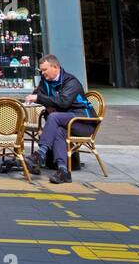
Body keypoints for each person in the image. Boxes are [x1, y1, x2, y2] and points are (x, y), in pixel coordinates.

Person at [26, 54, 93, 184]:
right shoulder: (45, 81)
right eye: (41, 70)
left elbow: (63, 102)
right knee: (57, 131)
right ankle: (63, 171)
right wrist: (48, 104)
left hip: (83, 122)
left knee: (54, 117)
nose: (43, 73)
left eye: (45, 69)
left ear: (55, 67)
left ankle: (40, 153)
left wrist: (43, 100)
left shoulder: (71, 82)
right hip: (65, 122)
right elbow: (37, 94)